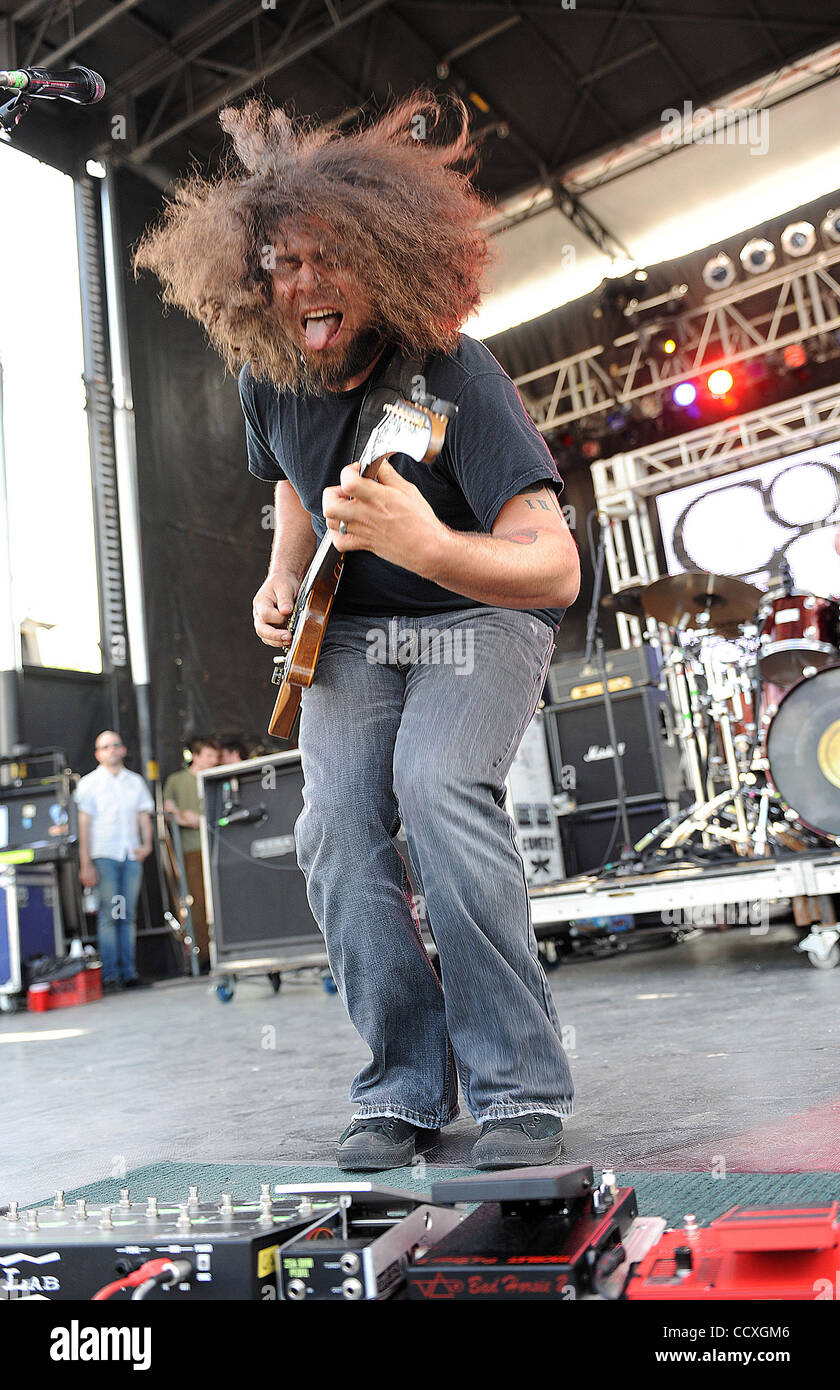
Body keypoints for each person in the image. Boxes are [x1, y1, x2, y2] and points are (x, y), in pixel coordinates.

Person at [134, 94, 580, 1171]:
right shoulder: (267, 375)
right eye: (283, 262)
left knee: (435, 785)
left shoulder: (454, 372)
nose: (307, 283)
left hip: (482, 618)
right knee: (334, 825)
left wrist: (428, 545)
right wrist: (283, 578)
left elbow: (554, 568)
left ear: (385, 260)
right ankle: (403, 1085)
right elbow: (294, 484)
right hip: (353, 636)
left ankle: (520, 1085)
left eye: (332, 257)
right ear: (253, 277)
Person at [76, 731, 154, 991]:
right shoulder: (89, 784)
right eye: (105, 746)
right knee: (110, 915)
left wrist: (147, 845)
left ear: (123, 749)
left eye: (115, 745)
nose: (111, 750)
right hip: (104, 855)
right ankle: (110, 975)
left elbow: (145, 815)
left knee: (128, 915)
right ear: (98, 754)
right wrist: (85, 862)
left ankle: (128, 973)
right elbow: (83, 824)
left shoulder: (135, 781)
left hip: (130, 854)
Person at [163, 737, 221, 971]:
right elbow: (169, 811)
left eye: (215, 756)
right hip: (192, 849)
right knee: (197, 902)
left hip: (219, 847)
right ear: (195, 756)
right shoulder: (177, 780)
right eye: (209, 755)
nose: (214, 760)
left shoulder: (218, 777)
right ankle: (205, 955)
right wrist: (192, 818)